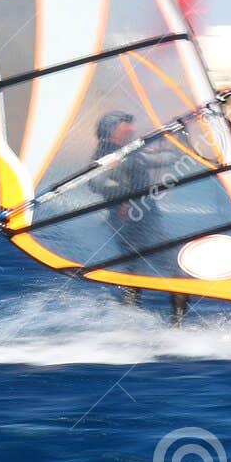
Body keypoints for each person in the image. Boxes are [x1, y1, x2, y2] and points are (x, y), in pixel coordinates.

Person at [89, 110, 189, 326]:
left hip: (142, 220)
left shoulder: (130, 152)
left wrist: (183, 133)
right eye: (127, 125)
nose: (133, 129)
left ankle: (129, 324)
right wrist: (125, 198)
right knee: (175, 268)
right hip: (131, 222)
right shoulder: (106, 155)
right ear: (113, 129)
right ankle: (177, 326)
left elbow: (170, 158)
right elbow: (94, 184)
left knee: (134, 272)